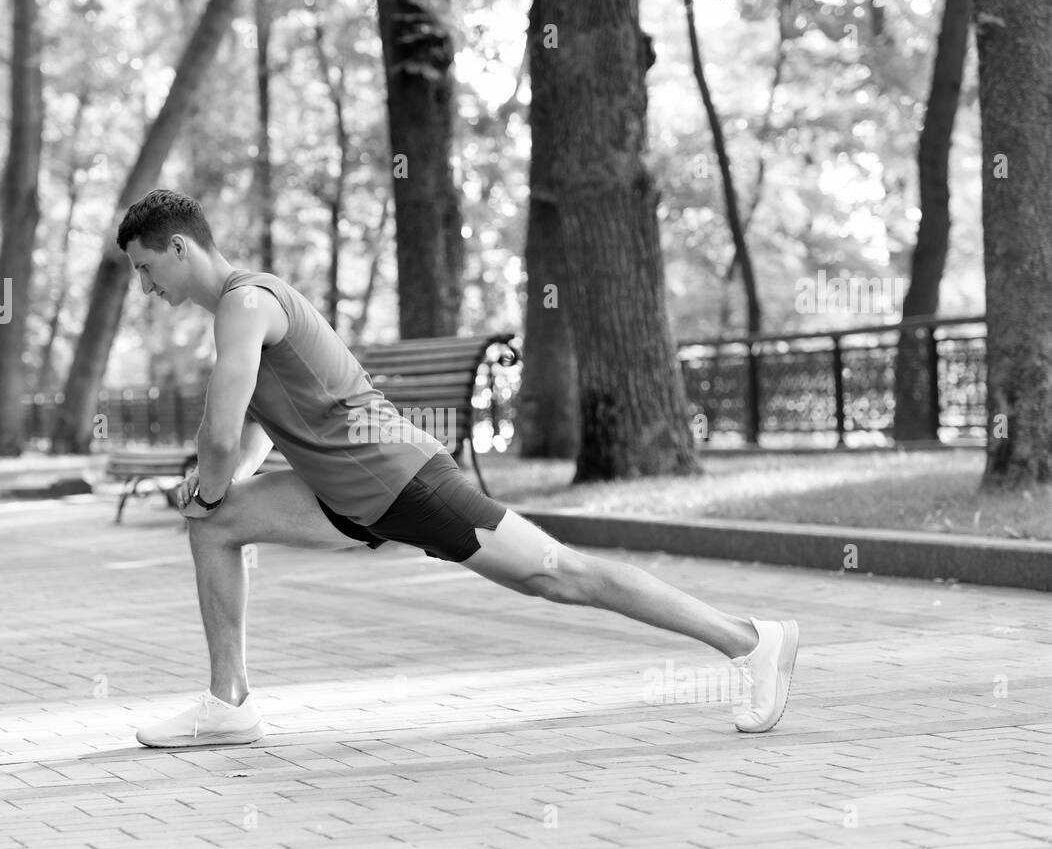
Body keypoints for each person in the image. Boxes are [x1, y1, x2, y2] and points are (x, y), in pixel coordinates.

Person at [118, 189, 799, 748]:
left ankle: (748, 641)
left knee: (560, 577)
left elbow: (216, 431)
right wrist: (221, 494)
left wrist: (211, 485)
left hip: (399, 480)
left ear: (179, 247)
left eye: (147, 268)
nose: (145, 286)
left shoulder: (244, 303)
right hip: (345, 492)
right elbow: (263, 425)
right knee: (212, 527)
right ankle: (228, 702)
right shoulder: (244, 310)